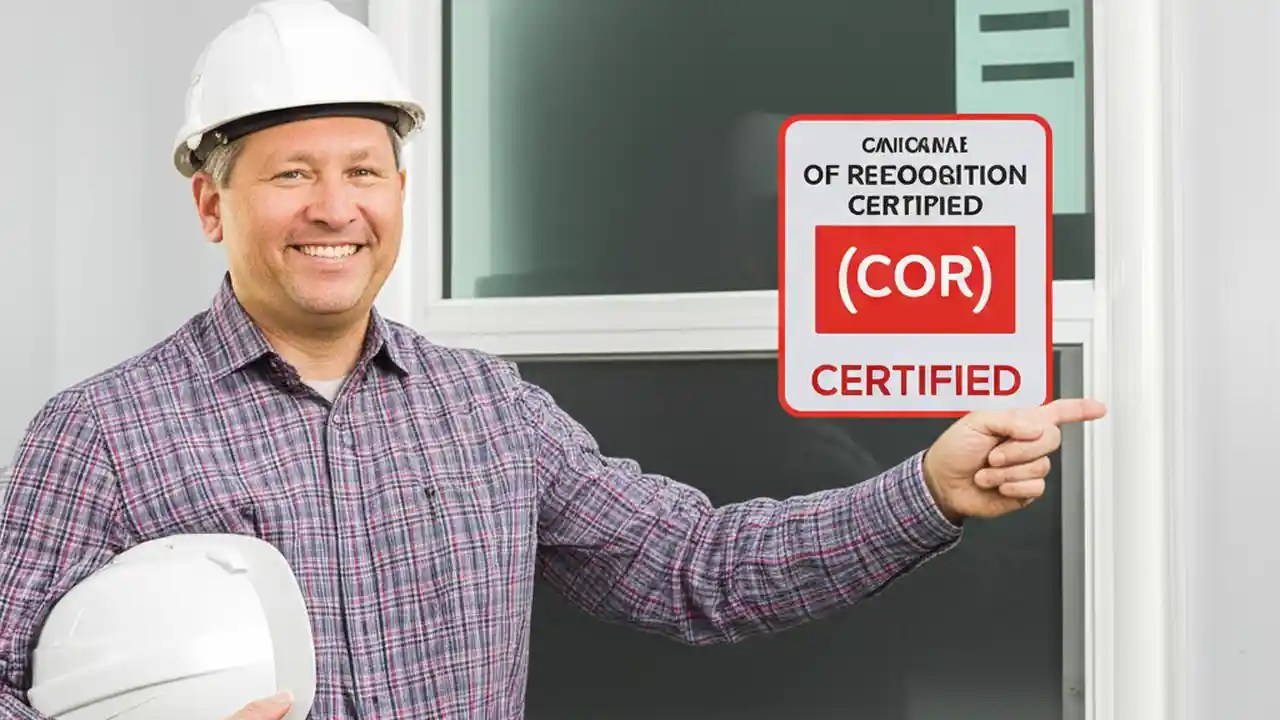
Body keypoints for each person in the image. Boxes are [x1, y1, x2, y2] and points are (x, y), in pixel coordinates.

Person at [0, 2, 1107, 719]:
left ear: (398, 191)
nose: (334, 210)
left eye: (364, 171)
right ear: (212, 202)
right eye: (290, 175)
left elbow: (695, 569)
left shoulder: (486, 409)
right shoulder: (101, 433)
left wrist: (924, 491)